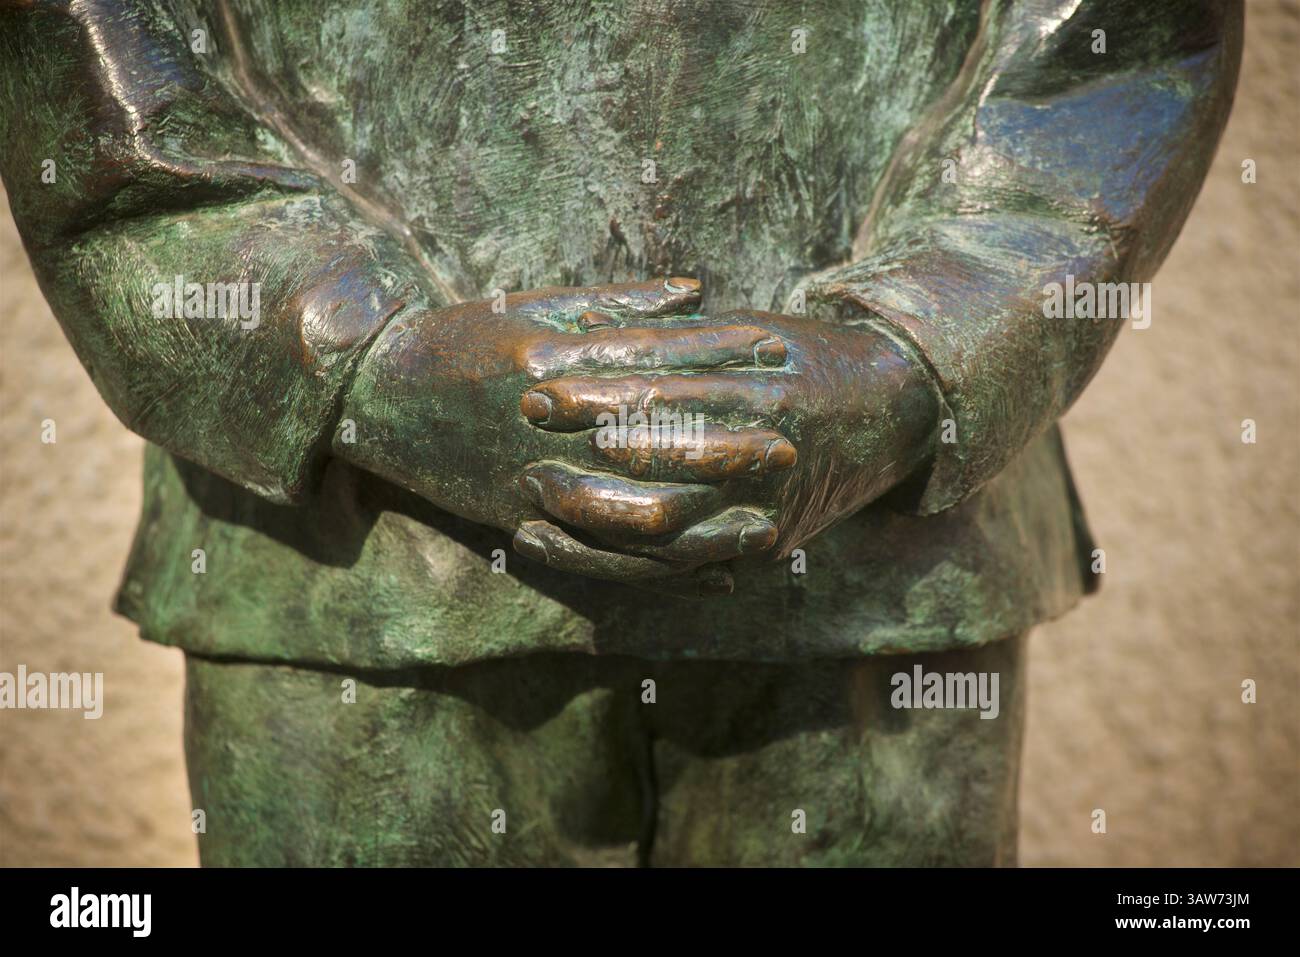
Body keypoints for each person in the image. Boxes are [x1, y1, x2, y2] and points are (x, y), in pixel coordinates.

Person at [0, 0, 1242, 865]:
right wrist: (356, 358)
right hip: (353, 583)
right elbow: (91, 56)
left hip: (877, 574)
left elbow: (1126, 50)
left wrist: (920, 356)